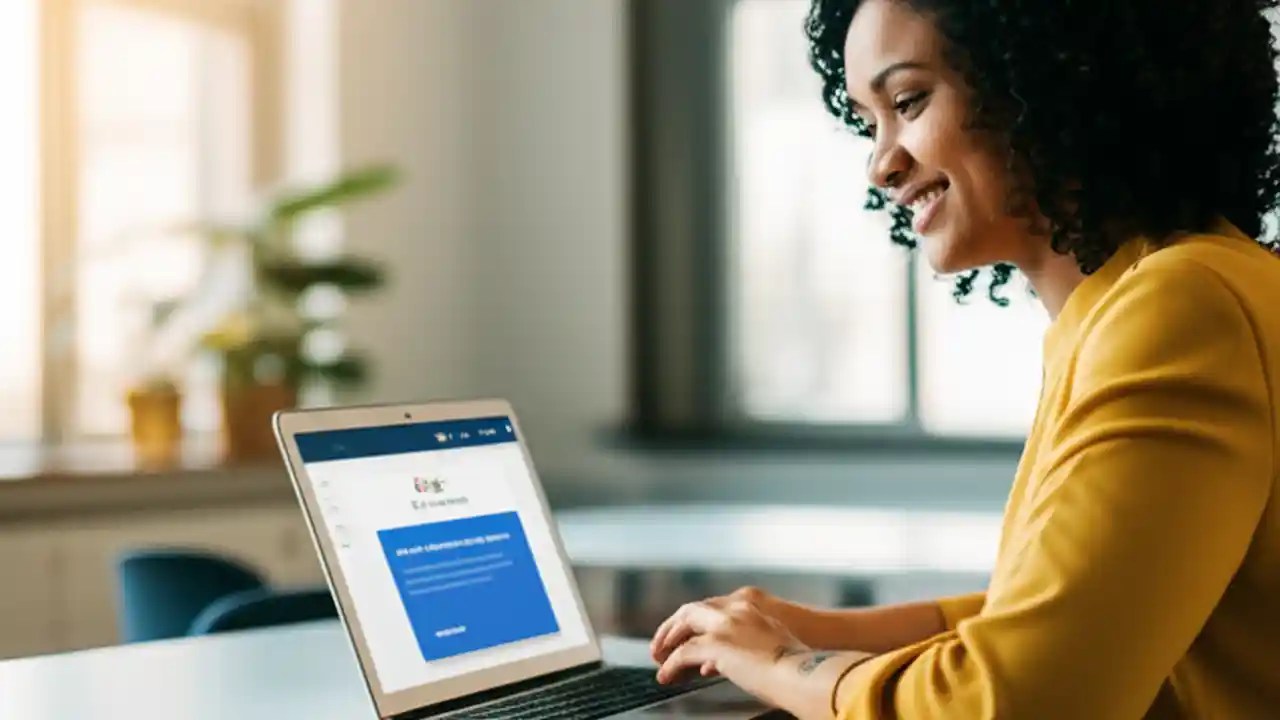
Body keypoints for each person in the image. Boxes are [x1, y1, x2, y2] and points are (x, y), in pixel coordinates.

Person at [649, 0, 1280, 717]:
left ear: (1047, 75)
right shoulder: (1151, 298)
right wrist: (812, 630)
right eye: (868, 122)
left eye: (908, 102)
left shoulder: (1179, 308)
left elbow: (1019, 698)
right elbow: (1066, 613)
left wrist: (789, 664)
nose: (880, 164)